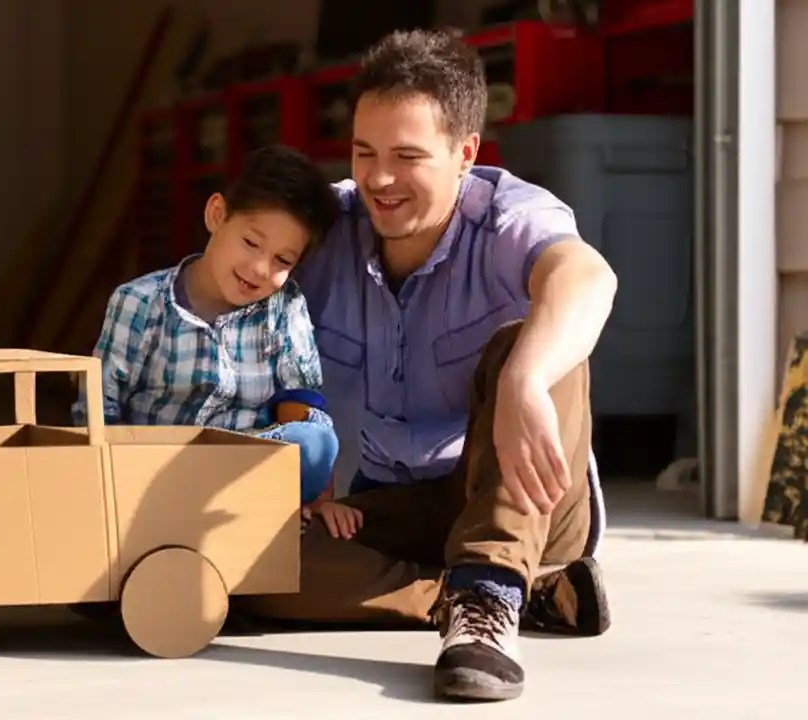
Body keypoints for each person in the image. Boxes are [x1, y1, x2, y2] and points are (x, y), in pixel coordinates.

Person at [237, 30, 620, 702]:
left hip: (529, 492)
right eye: (364, 153)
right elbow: (228, 294)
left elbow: (588, 277)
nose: (379, 179)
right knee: (237, 566)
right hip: (397, 504)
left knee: (535, 341)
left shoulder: (507, 217)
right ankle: (481, 591)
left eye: (407, 156)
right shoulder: (329, 227)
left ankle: (491, 599)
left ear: (465, 153)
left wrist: (524, 379)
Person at [74, 144, 342, 507]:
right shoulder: (138, 302)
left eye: (282, 260)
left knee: (317, 442)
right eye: (251, 243)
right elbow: (99, 409)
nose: (260, 269)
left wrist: (318, 489)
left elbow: (298, 403)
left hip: (243, 480)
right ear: (217, 214)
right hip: (147, 480)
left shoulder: (285, 304)